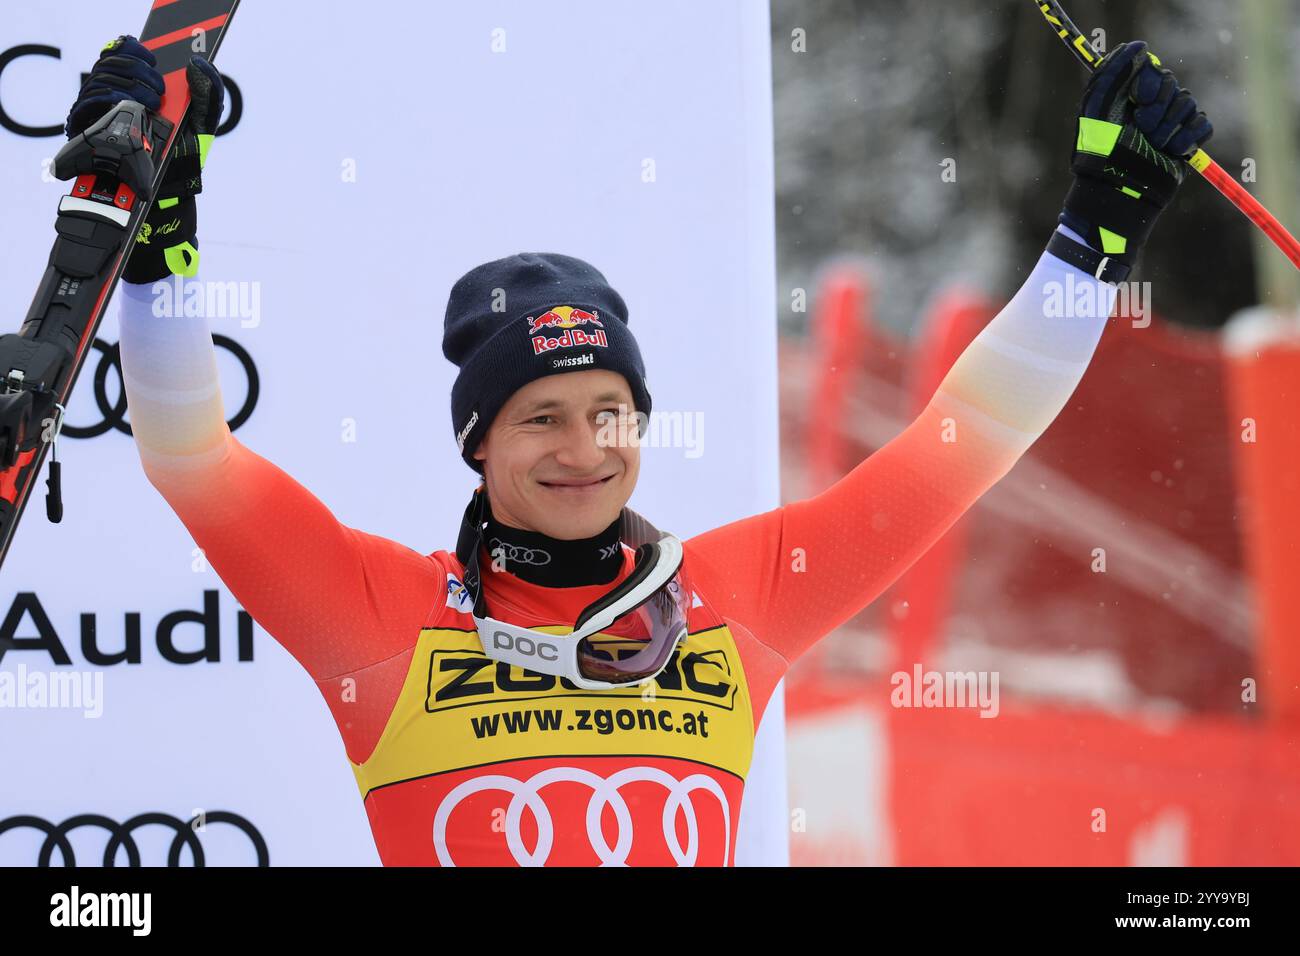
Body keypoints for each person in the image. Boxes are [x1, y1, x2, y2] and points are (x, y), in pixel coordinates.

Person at [74, 34, 1210, 866]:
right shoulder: (380, 615)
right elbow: (191, 455)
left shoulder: (738, 596)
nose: (584, 447)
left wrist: (1089, 238)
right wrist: (158, 244)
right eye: (540, 415)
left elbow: (968, 443)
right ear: (476, 443)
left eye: (610, 410)